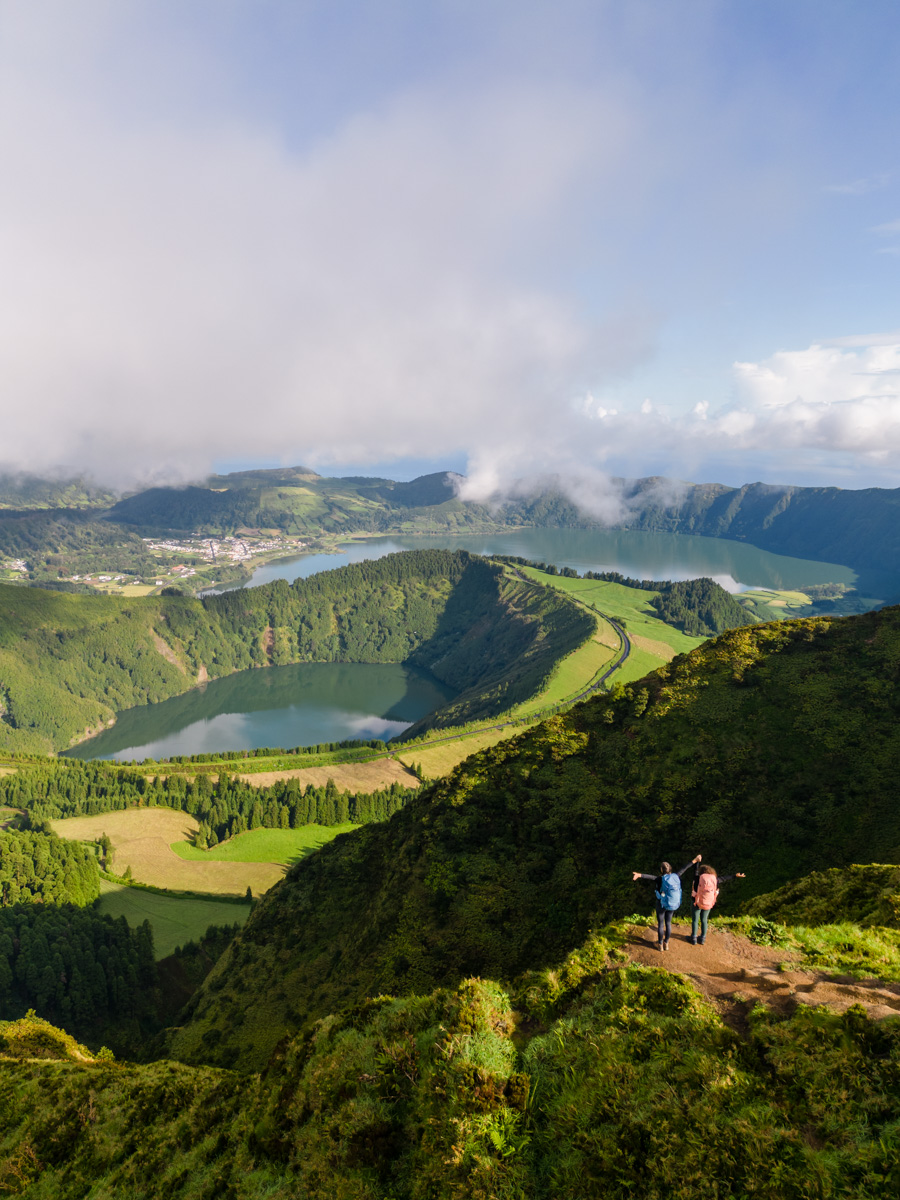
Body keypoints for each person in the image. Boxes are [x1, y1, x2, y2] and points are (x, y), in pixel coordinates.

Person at [632, 854, 702, 951]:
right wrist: (695, 860)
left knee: (661, 924)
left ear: (661, 870)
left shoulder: (660, 879)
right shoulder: (676, 876)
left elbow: (651, 877)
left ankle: (660, 945)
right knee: (668, 923)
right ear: (670, 869)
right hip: (672, 904)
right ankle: (666, 944)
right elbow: (684, 868)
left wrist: (639, 875)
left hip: (661, 903)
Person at [690, 863, 746, 944]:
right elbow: (724, 878)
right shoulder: (714, 880)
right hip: (708, 903)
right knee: (704, 920)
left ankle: (693, 939)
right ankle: (702, 938)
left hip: (696, 902)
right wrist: (735, 875)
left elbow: (695, 872)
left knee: (695, 920)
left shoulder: (698, 878)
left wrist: (697, 862)